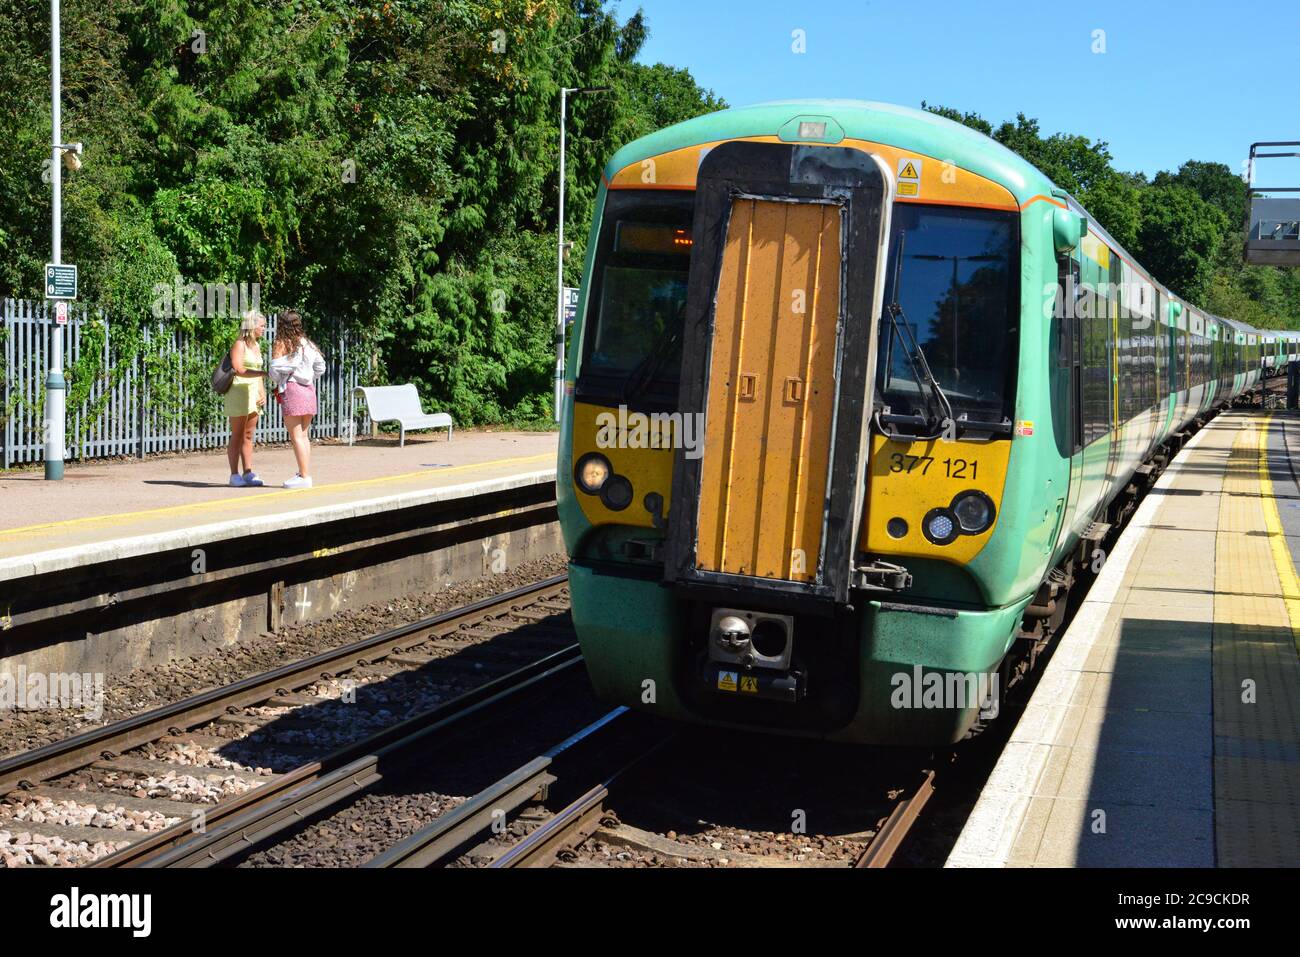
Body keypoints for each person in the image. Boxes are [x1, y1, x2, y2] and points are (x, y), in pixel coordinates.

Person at [269, 310, 326, 489]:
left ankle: (303, 476)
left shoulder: (281, 343)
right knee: (304, 435)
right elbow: (321, 367)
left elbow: (274, 369)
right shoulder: (308, 344)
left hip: (292, 390)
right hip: (309, 390)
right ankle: (305, 473)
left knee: (296, 437)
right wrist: (308, 376)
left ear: (281, 325)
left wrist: (281, 380)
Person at [225, 311, 267, 487]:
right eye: (261, 326)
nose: (264, 329)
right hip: (239, 391)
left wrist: (262, 391)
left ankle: (248, 472)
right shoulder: (239, 344)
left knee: (248, 435)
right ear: (252, 326)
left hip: (253, 392)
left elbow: (257, 371)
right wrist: (263, 374)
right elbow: (238, 368)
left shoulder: (256, 345)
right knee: (237, 434)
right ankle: (234, 474)